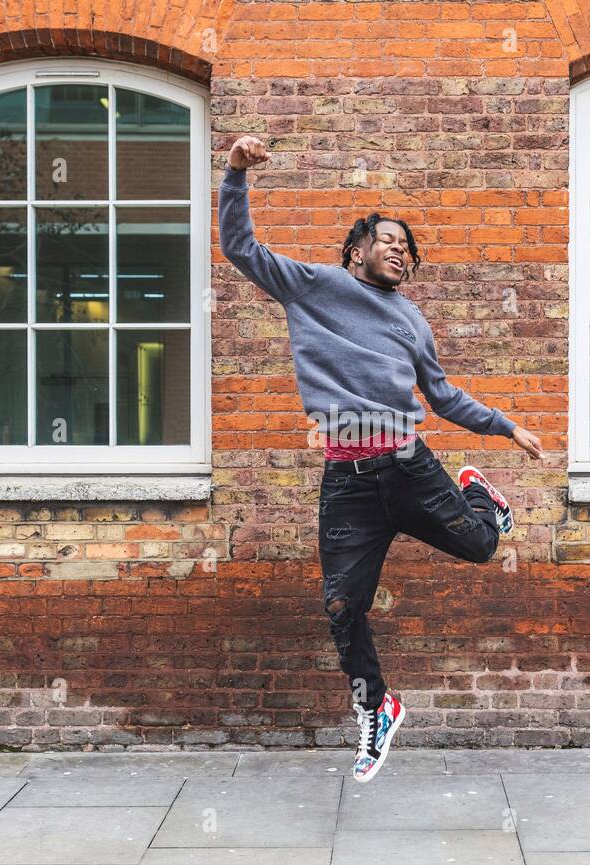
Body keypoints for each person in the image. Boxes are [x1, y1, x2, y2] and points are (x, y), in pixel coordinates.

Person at [219, 135, 545, 782]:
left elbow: (443, 396)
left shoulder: (413, 321)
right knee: (342, 606)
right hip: (348, 481)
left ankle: (480, 493)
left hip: (409, 465)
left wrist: (506, 428)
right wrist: (234, 172)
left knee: (482, 546)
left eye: (407, 247)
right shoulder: (313, 287)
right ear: (356, 250)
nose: (400, 250)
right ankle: (377, 705)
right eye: (388, 240)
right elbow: (240, 249)